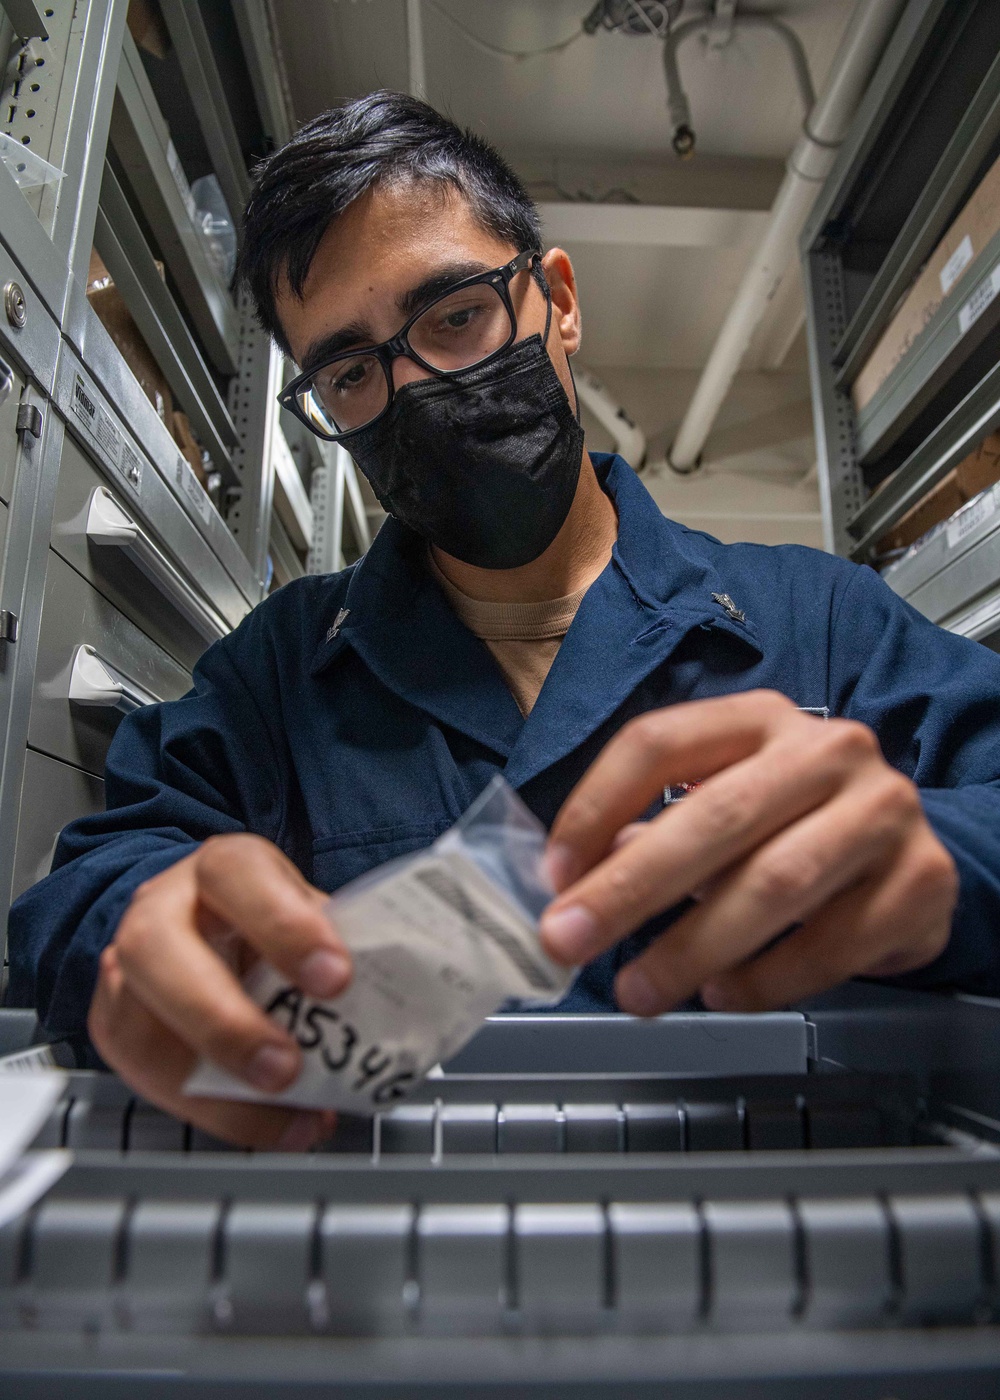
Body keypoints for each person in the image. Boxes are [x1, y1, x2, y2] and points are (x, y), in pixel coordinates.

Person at [8, 92, 1000, 1150]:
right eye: (349, 371)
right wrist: (145, 922)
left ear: (558, 302)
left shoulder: (820, 618)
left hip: (778, 1216)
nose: (417, 389)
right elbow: (93, 882)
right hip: (392, 1252)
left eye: (456, 314)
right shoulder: (278, 669)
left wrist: (935, 860)